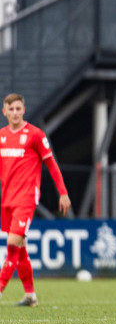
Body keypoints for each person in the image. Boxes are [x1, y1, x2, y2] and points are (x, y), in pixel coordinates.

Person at [0, 93, 72, 306]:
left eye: (18, 108)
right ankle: (30, 295)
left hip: (27, 198)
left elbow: (51, 164)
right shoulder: (1, 136)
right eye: (10, 109)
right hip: (7, 199)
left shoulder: (35, 135)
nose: (14, 113)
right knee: (20, 247)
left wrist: (64, 192)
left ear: (24, 110)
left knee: (12, 245)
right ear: (4, 112)